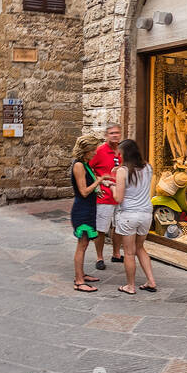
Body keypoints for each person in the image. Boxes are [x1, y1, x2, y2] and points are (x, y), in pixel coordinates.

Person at [113, 136, 161, 294]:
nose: (118, 156)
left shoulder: (122, 171)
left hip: (128, 215)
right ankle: (151, 281)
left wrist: (112, 186)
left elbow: (118, 198)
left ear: (126, 154)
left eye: (120, 153)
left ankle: (130, 286)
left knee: (128, 252)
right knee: (140, 248)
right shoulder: (148, 167)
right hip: (145, 214)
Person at [69, 135, 105, 293]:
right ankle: (79, 281)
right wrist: (99, 181)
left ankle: (81, 274)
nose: (95, 153)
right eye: (93, 150)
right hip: (82, 211)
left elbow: (89, 187)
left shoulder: (85, 164)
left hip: (88, 209)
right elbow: (83, 191)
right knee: (82, 245)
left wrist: (98, 189)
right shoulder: (79, 166)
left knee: (84, 244)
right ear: (85, 151)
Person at [88, 123, 125, 274]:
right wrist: (99, 183)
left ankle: (116, 254)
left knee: (119, 227)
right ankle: (99, 257)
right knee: (101, 229)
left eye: (117, 133)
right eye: (112, 133)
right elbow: (88, 168)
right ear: (106, 135)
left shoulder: (122, 151)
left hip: (120, 196)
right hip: (105, 196)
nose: (115, 135)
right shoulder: (99, 151)